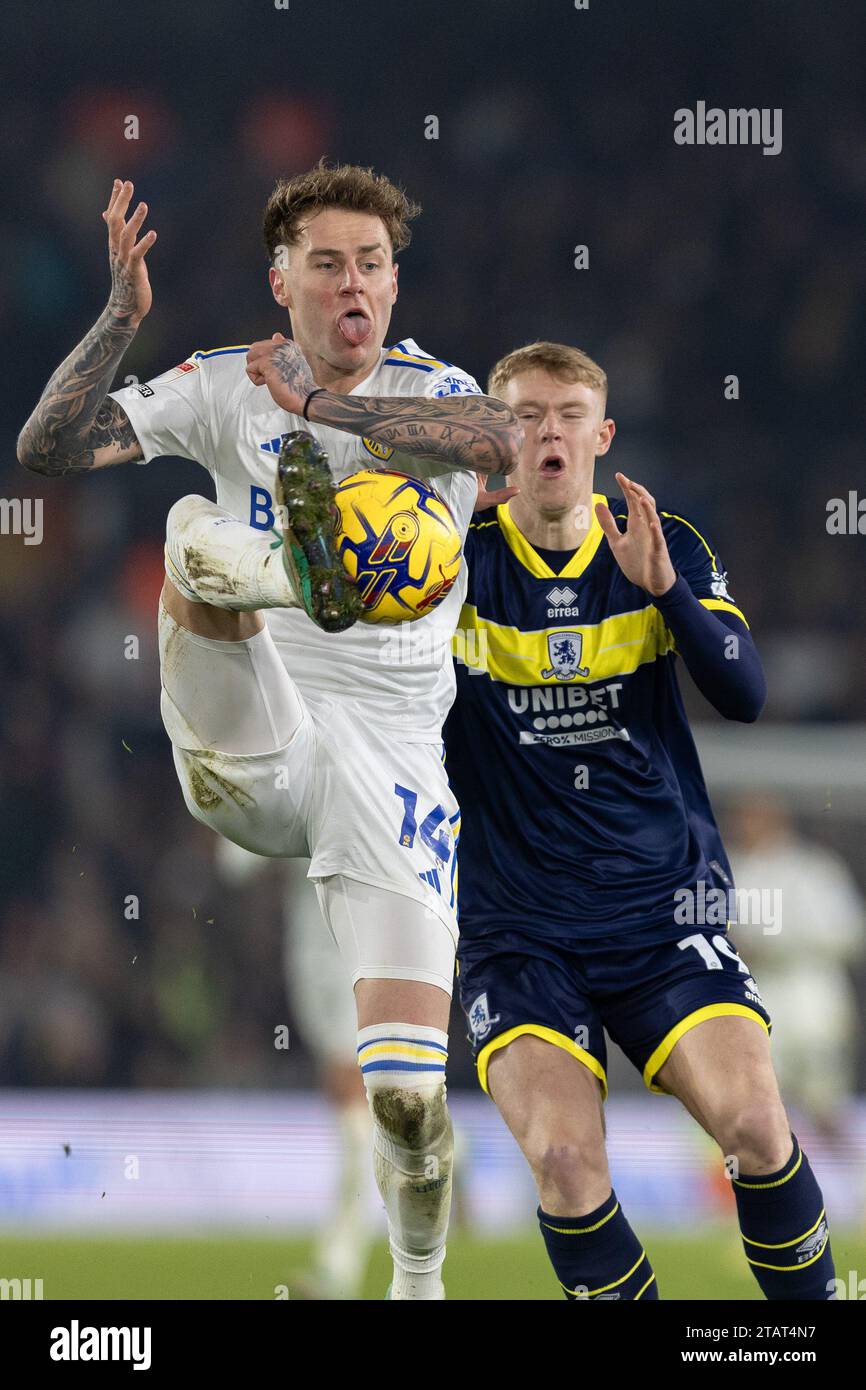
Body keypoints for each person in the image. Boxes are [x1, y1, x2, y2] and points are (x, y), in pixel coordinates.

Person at [17, 161, 521, 1301]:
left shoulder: (437, 399)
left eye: (374, 266)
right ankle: (307, 575)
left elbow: (501, 441)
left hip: (389, 763)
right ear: (280, 279)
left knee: (406, 1098)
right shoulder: (215, 385)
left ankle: (415, 1280)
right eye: (330, 263)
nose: (355, 284)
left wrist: (318, 410)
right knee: (190, 532)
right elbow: (48, 452)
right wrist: (116, 320)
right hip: (260, 730)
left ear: (395, 285)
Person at [444, 340, 836, 1300]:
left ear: (601, 435)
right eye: (527, 415)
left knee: (755, 1126)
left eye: (569, 415)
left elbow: (745, 691)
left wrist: (667, 592)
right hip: (518, 927)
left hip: (662, 912)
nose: (549, 433)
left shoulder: (664, 546)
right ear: (498, 439)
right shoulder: (449, 565)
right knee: (569, 1167)